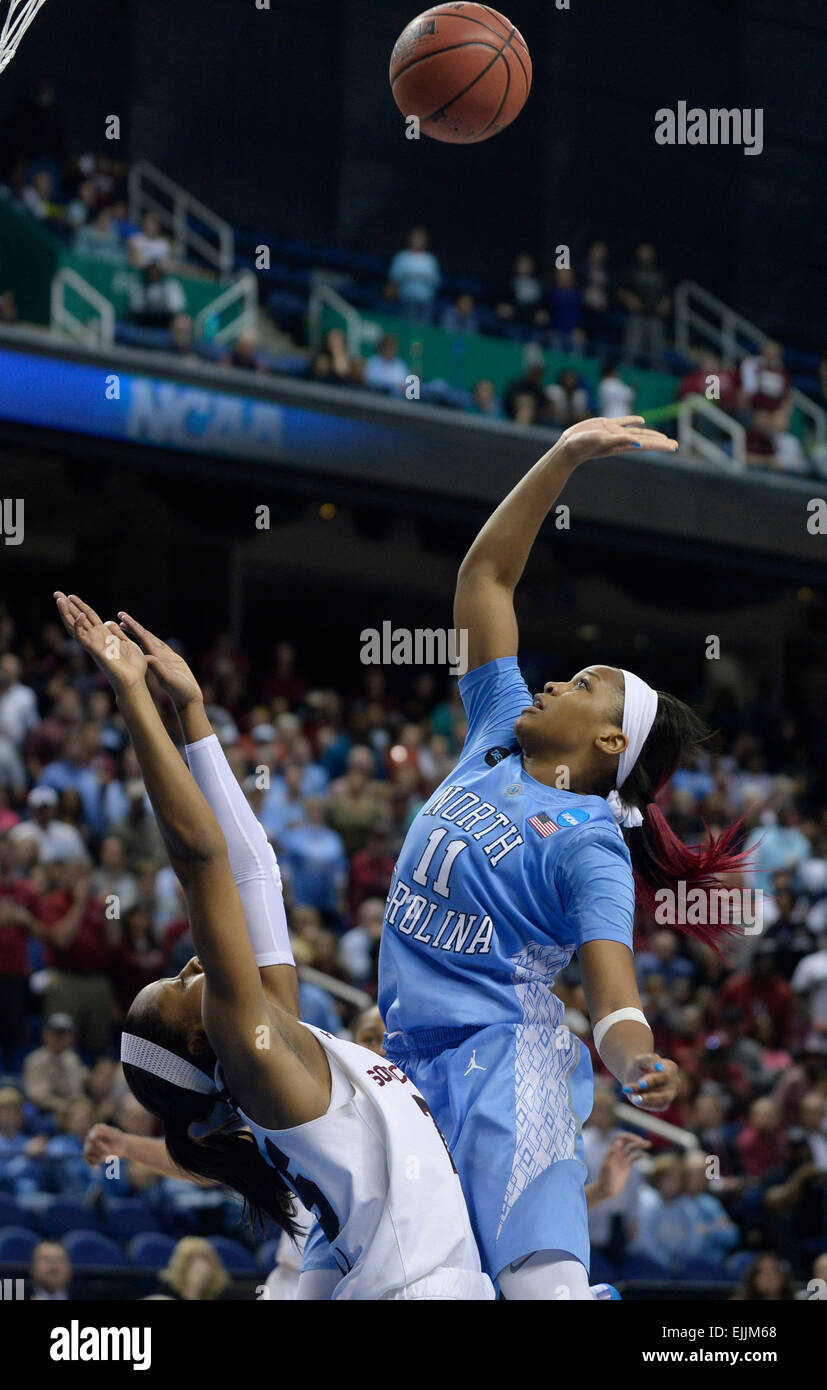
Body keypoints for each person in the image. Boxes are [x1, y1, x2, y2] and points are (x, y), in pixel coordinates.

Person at [377, 414, 750, 1298]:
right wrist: (565, 454)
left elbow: (611, 996)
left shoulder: (590, 849)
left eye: (583, 686)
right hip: (405, 1062)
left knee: (539, 1287)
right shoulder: (495, 736)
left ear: (611, 740)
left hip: (507, 1065)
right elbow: (486, 575)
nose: (553, 681)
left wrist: (636, 1065)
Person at [55, 593, 493, 1301]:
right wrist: (132, 696)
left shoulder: (278, 1038)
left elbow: (253, 866)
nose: (195, 962)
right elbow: (203, 862)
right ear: (202, 1037)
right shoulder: (249, 1050)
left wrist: (193, 716)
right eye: (179, 985)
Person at [618, 243, 670, 367]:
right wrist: (629, 299)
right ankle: (627, 373)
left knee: (656, 352)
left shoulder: (659, 273)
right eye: (643, 251)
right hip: (637, 315)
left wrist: (666, 302)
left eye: (648, 251)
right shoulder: (631, 271)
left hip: (655, 316)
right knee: (631, 349)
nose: (645, 255)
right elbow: (620, 291)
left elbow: (667, 293)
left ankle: (656, 377)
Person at [387, 227, 440, 318]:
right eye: (415, 238)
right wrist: (407, 276)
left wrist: (424, 277)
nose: (417, 241)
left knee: (422, 328)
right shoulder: (402, 256)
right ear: (410, 239)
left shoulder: (430, 259)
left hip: (425, 301)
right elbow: (393, 277)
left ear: (425, 241)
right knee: (405, 325)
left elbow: (437, 281)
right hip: (405, 298)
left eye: (420, 239)